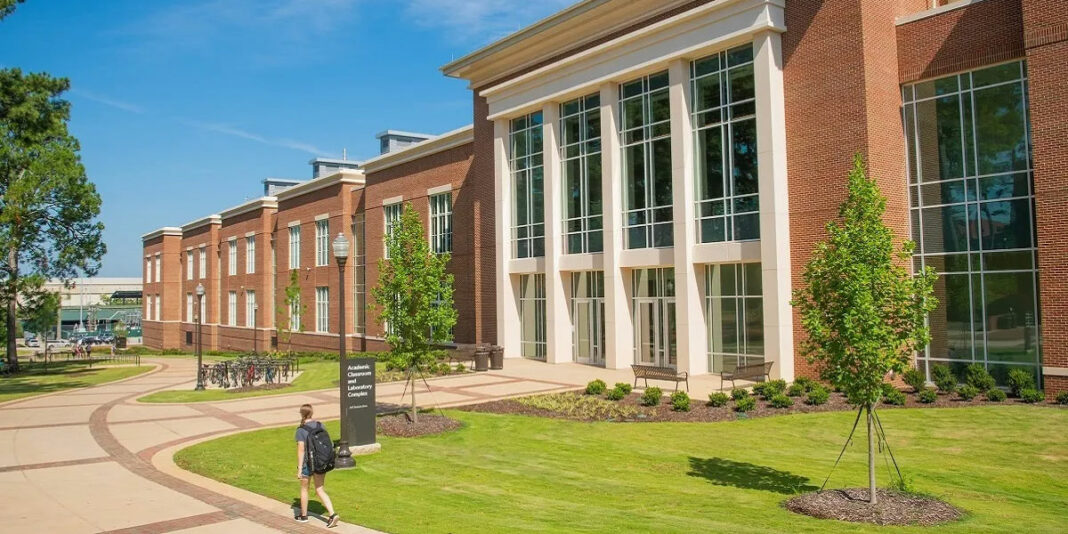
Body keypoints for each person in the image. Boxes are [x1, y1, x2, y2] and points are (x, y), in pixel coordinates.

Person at [295, 404, 339, 527]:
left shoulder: (301, 430)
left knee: (304, 488)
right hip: (320, 461)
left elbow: (301, 450)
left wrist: (299, 469)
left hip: (307, 464)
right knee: (320, 489)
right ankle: (333, 514)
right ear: (312, 413)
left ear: (301, 414)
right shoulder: (321, 425)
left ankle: (303, 516)